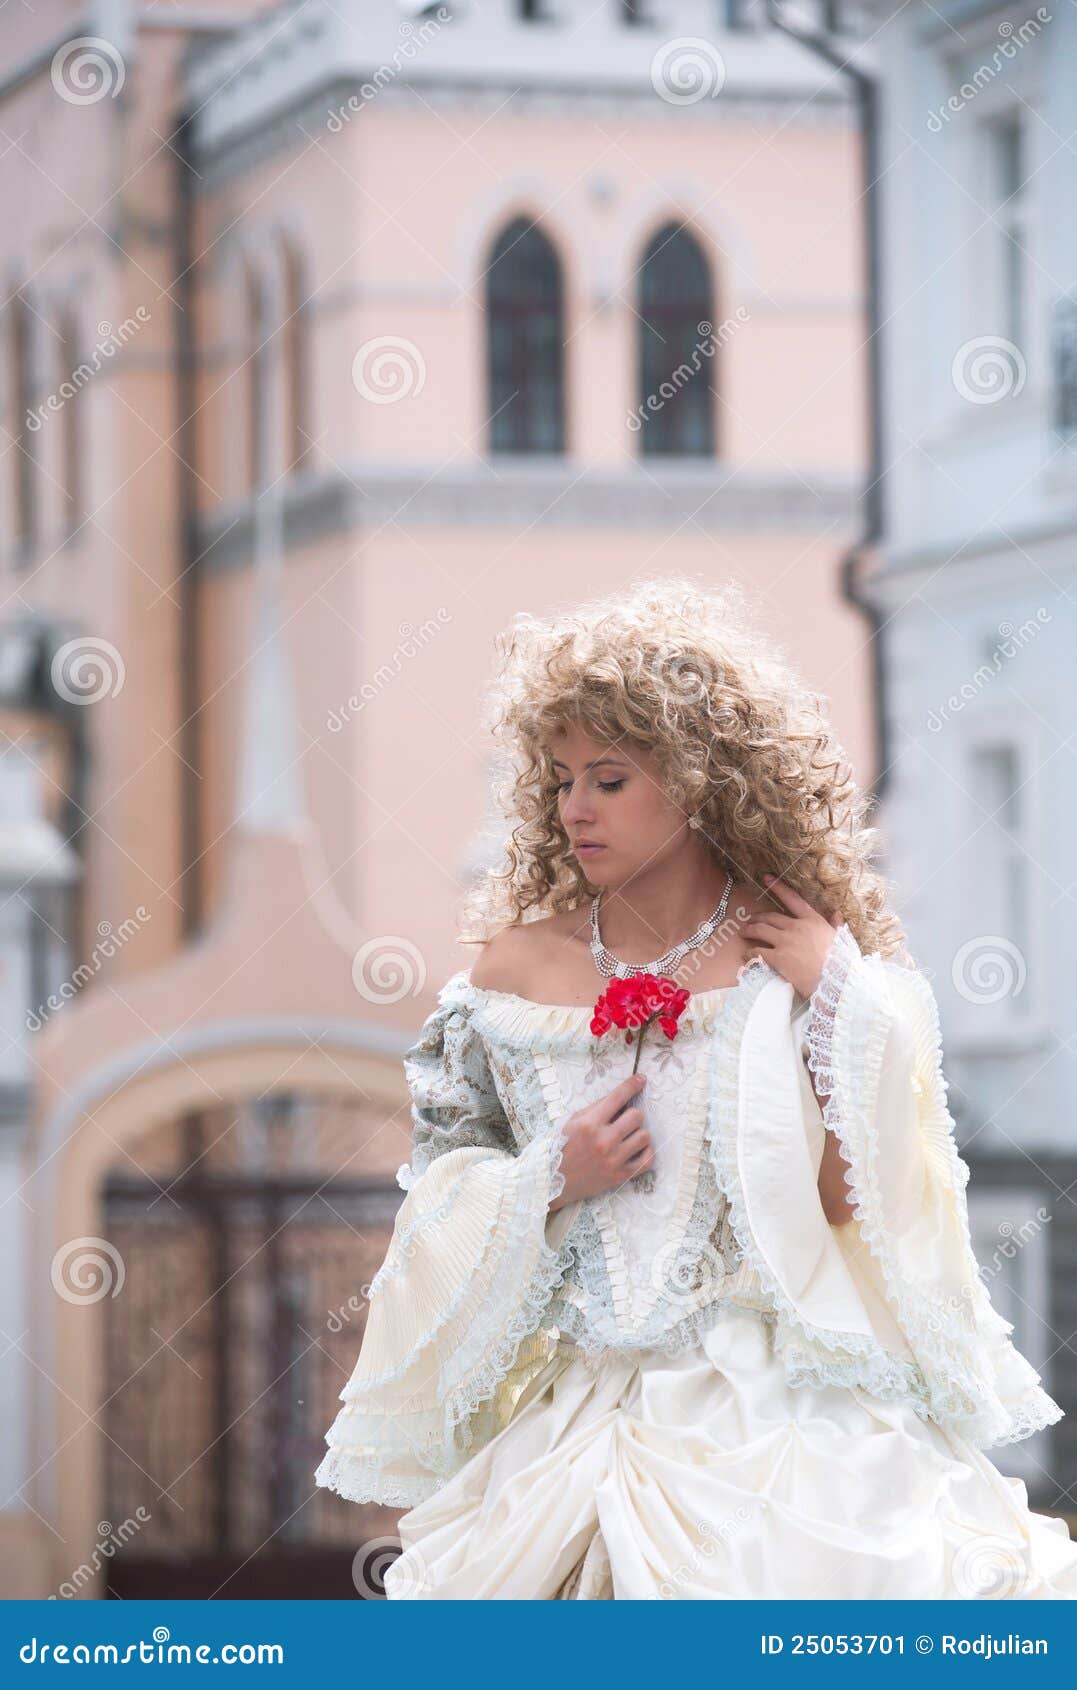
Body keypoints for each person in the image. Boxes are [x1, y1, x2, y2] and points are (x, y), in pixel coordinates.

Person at [314, 577, 1077, 1600]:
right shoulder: (512, 974)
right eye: (562, 779)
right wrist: (553, 1175)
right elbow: (438, 1194)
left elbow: (846, 1208)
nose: (574, 807)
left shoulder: (794, 963)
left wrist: (848, 1000)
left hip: (789, 1432)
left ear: (699, 780)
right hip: (578, 1430)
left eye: (610, 778)